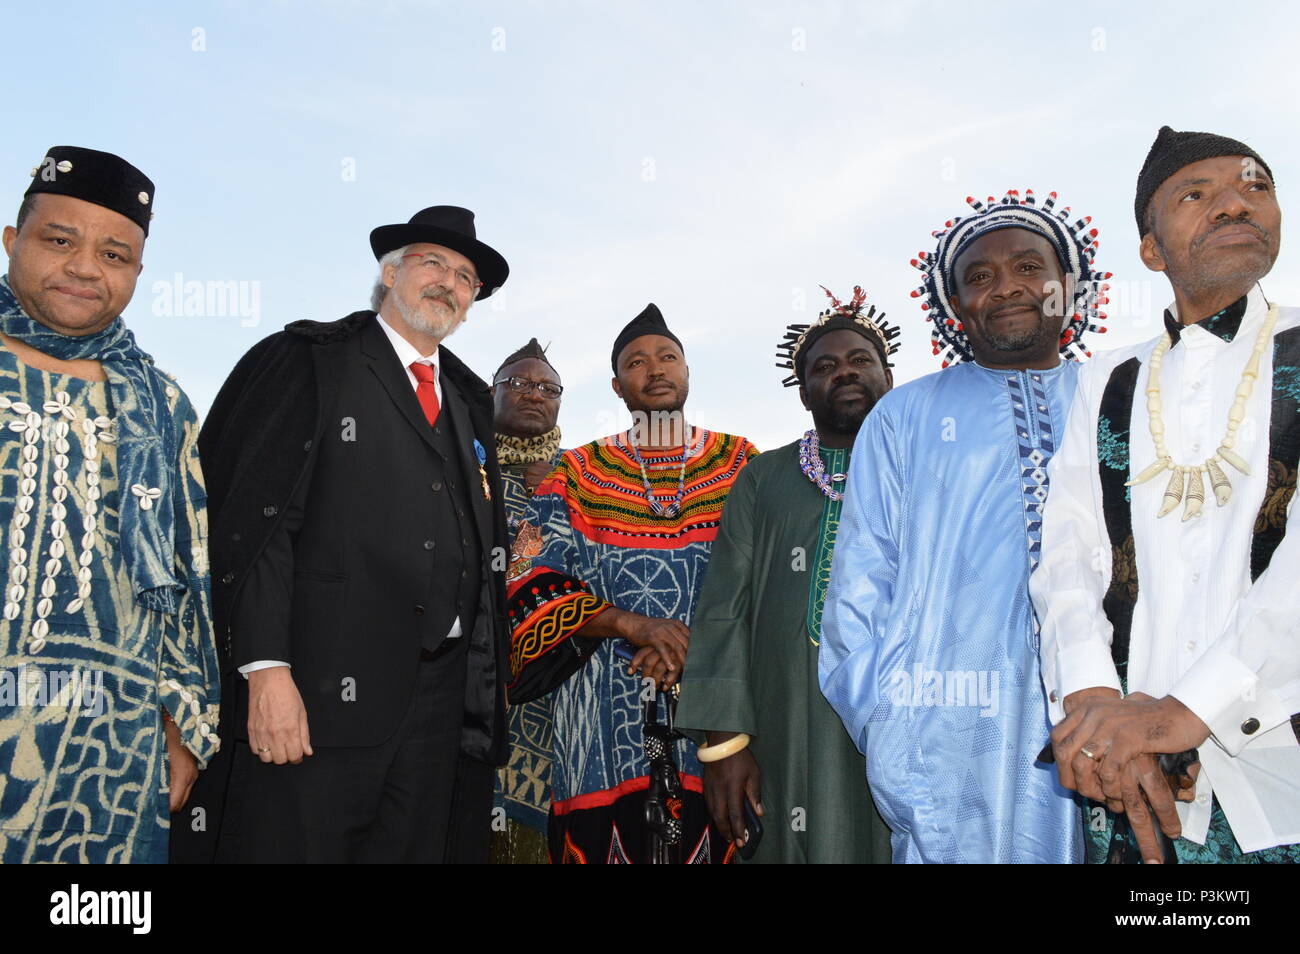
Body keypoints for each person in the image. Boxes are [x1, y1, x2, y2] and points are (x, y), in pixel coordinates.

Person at [193, 205, 511, 863]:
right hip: (313, 700)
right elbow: (259, 526)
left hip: (437, 711)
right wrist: (265, 670)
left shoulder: (470, 403)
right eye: (433, 262)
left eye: (466, 278)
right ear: (389, 273)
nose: (449, 283)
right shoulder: (312, 361)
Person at [1033, 127, 1300, 863]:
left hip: (1281, 762)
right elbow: (1067, 551)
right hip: (1129, 775)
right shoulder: (1108, 379)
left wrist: (1187, 711)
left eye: (1256, 187)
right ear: (1151, 250)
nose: (1234, 205)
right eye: (1197, 194)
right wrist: (1090, 701)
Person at [820, 189, 1108, 863]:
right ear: (954, 308)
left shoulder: (1115, 395)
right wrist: (894, 724)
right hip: (947, 733)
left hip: (1116, 714)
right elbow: (858, 592)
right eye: (978, 277)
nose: (1006, 286)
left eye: (1028, 267)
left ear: (1068, 287)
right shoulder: (905, 417)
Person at [0, 145, 219, 863]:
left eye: (115, 254)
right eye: (59, 240)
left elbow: (192, 583)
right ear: (12, 241)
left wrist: (183, 729)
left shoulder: (161, 405)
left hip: (108, 751)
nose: (86, 267)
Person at [506, 303, 756, 863]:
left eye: (669, 357)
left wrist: (694, 644)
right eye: (638, 363)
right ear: (619, 386)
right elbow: (529, 574)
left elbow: (765, 585)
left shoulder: (742, 463)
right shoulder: (577, 471)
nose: (656, 369)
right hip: (600, 711)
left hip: (718, 711)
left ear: (688, 373)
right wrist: (632, 625)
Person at [676, 286, 898, 863]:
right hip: (785, 724)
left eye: (859, 361)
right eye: (824, 367)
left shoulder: (926, 465)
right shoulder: (762, 478)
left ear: (888, 376)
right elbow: (724, 608)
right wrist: (723, 742)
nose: (844, 373)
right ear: (804, 392)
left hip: (909, 715)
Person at [489, 337, 564, 864]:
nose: (533, 393)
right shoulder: (456, 463)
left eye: (547, 387)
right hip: (467, 676)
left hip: (556, 686)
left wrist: (559, 482)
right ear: (490, 393)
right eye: (517, 382)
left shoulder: (586, 475)